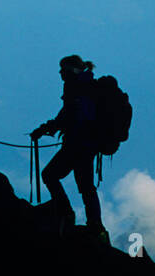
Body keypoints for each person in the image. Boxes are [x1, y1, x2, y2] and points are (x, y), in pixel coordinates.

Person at [34, 55, 108, 242]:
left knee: (50, 175)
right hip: (87, 145)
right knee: (86, 186)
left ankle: (66, 213)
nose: (60, 73)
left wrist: (43, 129)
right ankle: (95, 225)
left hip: (77, 145)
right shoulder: (86, 86)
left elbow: (66, 117)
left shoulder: (77, 89)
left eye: (63, 70)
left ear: (70, 71)